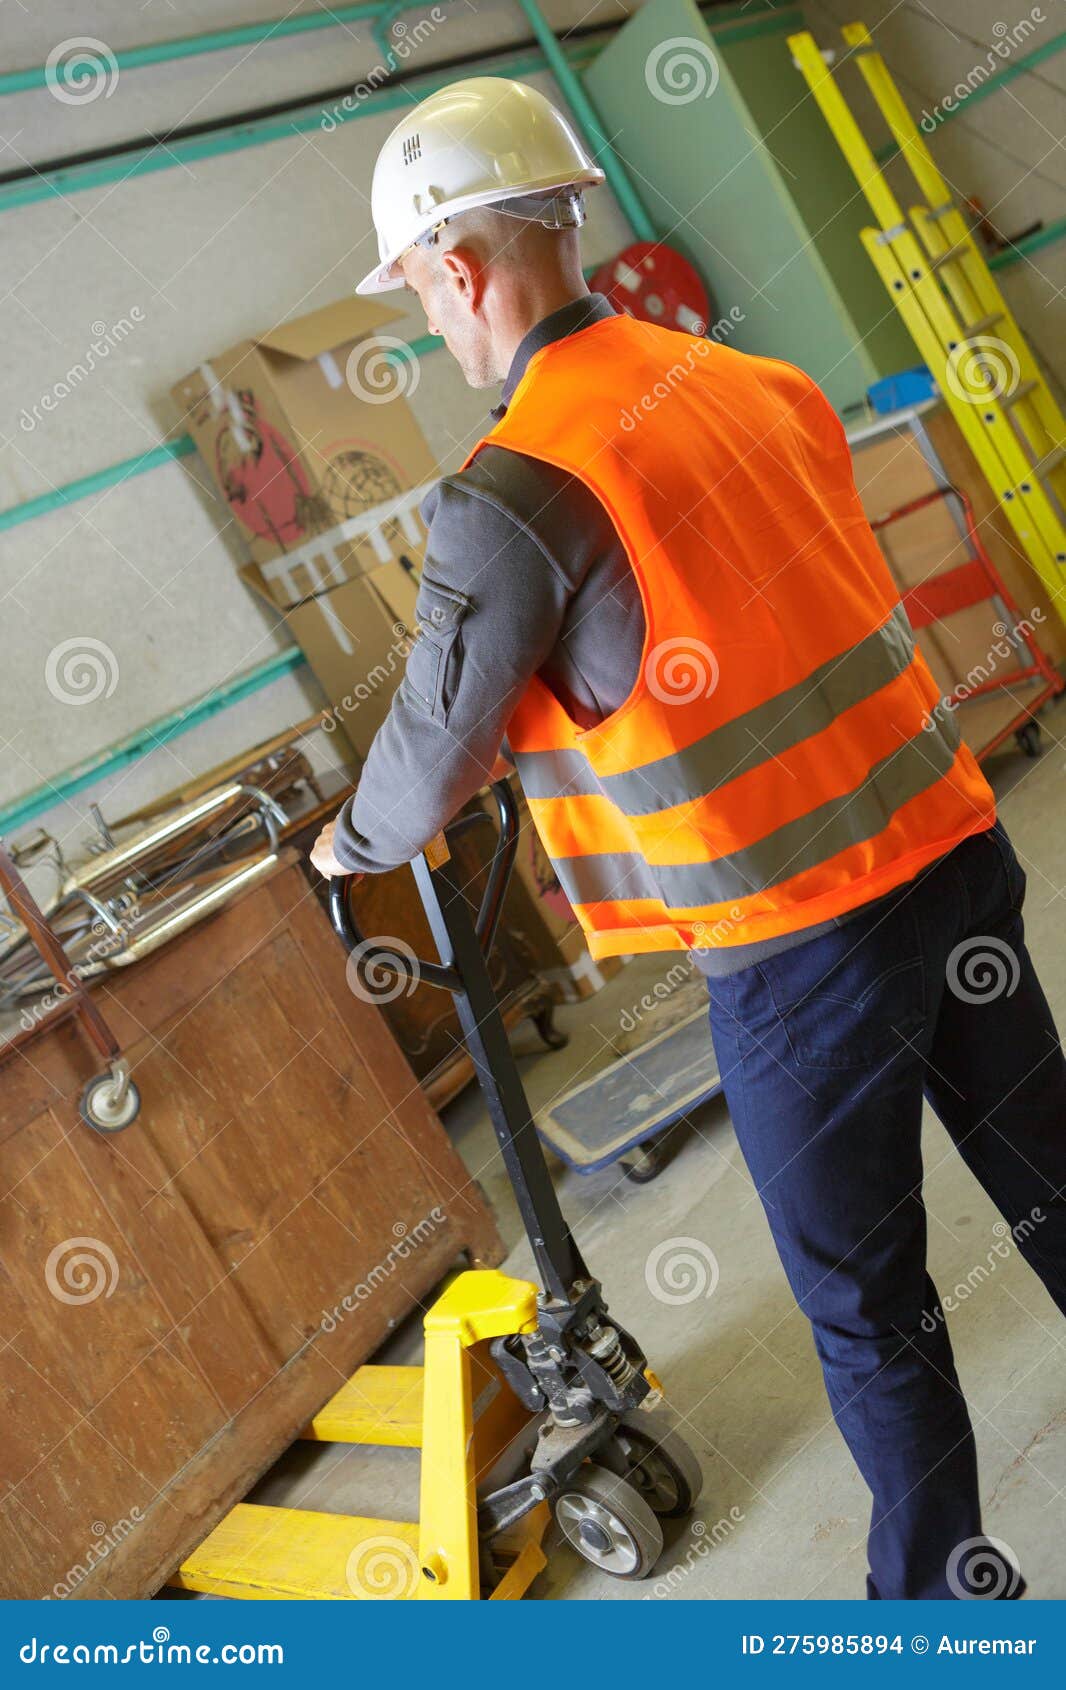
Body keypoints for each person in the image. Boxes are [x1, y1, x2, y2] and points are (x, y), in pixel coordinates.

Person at [311, 76, 1065, 1600]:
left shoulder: (517, 486)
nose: (437, 334)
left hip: (799, 946)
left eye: (421, 299)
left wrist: (345, 847)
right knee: (1046, 1169)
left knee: (865, 1306)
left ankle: (926, 1611)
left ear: (460, 269)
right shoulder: (748, 383)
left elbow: (428, 762)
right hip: (948, 849)